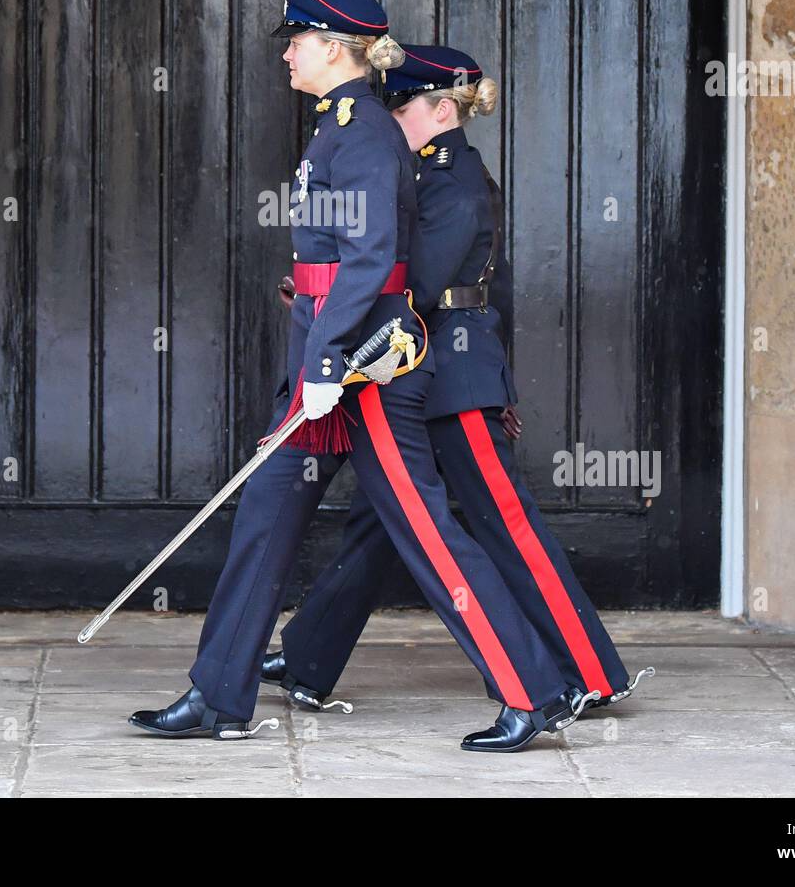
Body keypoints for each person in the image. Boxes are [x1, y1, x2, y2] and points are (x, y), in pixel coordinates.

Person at [129, 0, 583, 751]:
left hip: (366, 373)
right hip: (328, 366)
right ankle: (219, 693)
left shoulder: (368, 133)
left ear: (334, 51)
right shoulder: (339, 126)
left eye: (297, 42)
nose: (288, 56)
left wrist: (327, 361)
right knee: (267, 513)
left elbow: (372, 261)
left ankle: (531, 692)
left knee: (428, 533)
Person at [261, 44, 652, 714]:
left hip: (453, 384)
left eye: (404, 106)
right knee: (379, 525)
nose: (392, 117)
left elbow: (413, 286)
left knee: (507, 523)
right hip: (417, 375)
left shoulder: (455, 183)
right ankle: (308, 656)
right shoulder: (423, 177)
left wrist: (334, 303)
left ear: (443, 111)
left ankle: (590, 670)